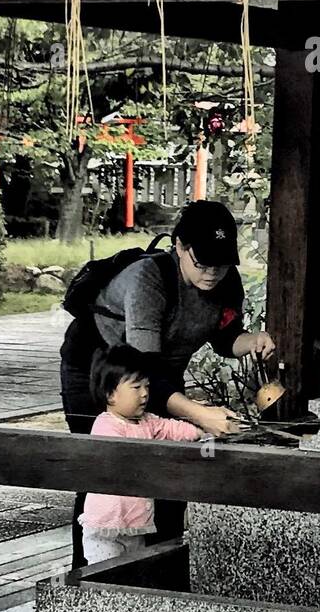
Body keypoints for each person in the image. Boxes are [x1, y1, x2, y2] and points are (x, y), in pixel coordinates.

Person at [59, 199, 276, 567]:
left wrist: (252, 342)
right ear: (179, 246)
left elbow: (226, 337)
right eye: (202, 261)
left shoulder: (226, 280)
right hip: (100, 370)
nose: (212, 272)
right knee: (103, 464)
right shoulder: (149, 279)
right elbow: (146, 369)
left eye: (221, 263)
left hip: (157, 372)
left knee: (172, 459)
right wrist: (200, 414)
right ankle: (92, 569)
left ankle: (162, 561)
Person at [79, 345, 202, 567]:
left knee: (134, 574)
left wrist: (202, 431)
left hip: (136, 525)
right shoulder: (106, 425)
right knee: (106, 578)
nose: (144, 393)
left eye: (146, 386)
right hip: (106, 528)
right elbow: (122, 458)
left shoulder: (148, 421)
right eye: (136, 387)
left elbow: (172, 429)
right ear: (110, 394)